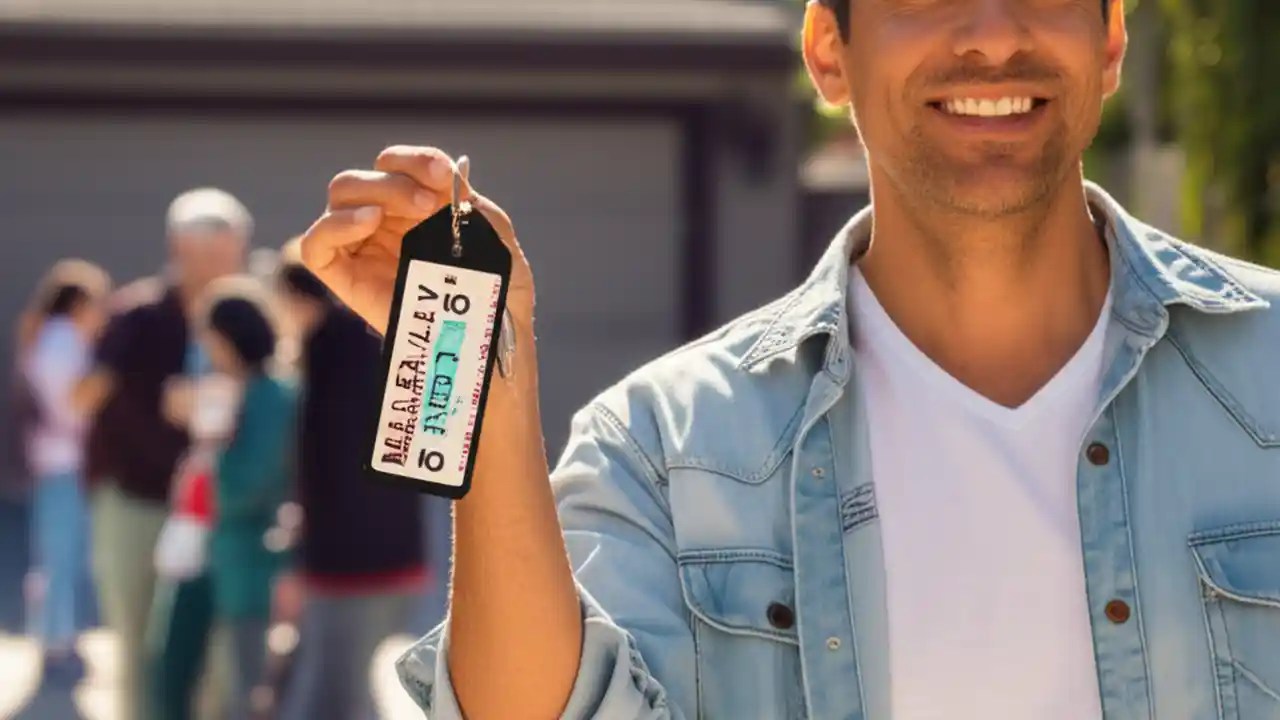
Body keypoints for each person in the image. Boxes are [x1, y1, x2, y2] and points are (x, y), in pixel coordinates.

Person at [297, 0, 1280, 717]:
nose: (988, 35)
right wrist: (484, 383)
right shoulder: (665, 449)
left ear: (1107, 40)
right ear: (826, 52)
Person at [77, 187, 249, 720]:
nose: (218, 266)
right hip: (138, 497)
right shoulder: (136, 314)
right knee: (137, 643)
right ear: (177, 247)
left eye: (227, 252)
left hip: (223, 508)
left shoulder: (249, 315)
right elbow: (90, 396)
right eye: (205, 253)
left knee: (220, 654)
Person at [273, 243, 428, 720]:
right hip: (395, 550)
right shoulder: (377, 341)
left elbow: (324, 470)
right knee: (351, 690)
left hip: (346, 562)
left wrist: (302, 559)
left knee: (330, 695)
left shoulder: (328, 351)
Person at [195, 278, 296, 720]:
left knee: (252, 689)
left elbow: (246, 483)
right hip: (247, 559)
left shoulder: (269, 395)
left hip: (257, 562)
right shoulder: (260, 390)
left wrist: (211, 459)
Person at [19, 260, 110, 684]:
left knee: (62, 553)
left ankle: (57, 635)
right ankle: (56, 641)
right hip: (63, 461)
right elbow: (74, 404)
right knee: (61, 554)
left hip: (60, 460)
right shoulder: (61, 343)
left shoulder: (55, 339)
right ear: (78, 304)